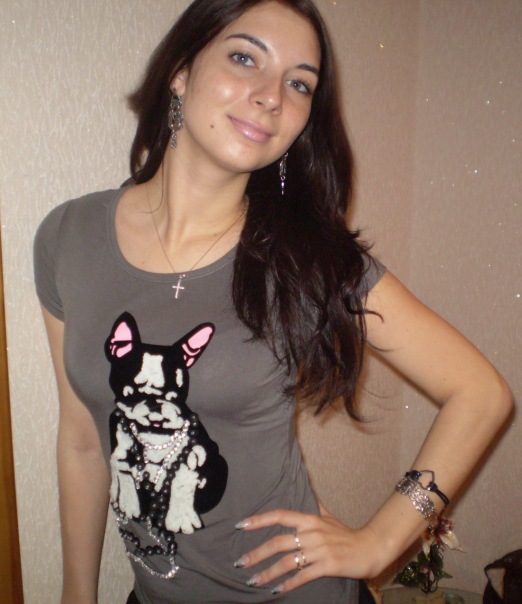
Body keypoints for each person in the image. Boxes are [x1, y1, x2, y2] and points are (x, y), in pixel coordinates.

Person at [33, 1, 512, 603]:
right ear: (180, 71)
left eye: (299, 84)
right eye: (244, 58)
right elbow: (83, 438)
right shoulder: (69, 237)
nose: (271, 96)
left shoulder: (310, 259)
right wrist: (76, 594)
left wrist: (383, 541)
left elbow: (481, 393)